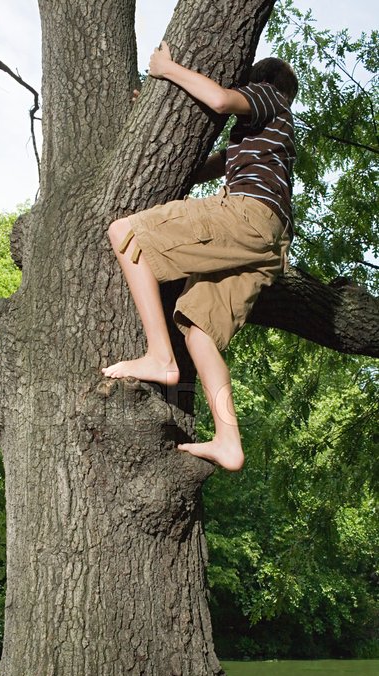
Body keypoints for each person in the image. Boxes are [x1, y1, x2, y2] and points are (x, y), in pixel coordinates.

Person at [102, 43, 298, 471]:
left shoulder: (271, 97)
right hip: (269, 243)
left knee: (125, 232)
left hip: (249, 214)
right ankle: (228, 439)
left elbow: (219, 99)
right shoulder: (259, 144)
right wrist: (153, 111)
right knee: (199, 331)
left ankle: (159, 356)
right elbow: (197, 165)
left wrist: (168, 69)